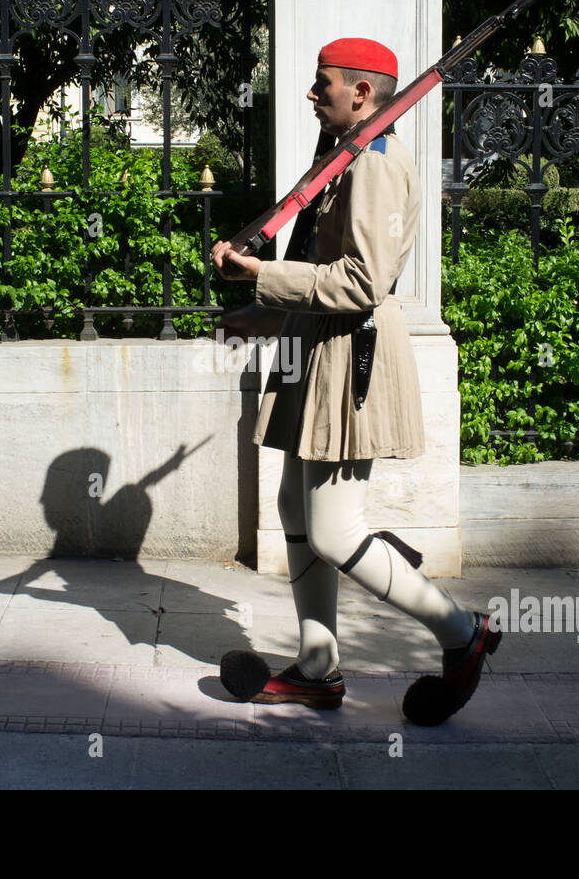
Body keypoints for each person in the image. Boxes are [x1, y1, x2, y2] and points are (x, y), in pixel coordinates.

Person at [210, 37, 500, 727]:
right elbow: (322, 261)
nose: (313, 94)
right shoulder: (343, 156)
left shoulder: (374, 162)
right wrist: (259, 309)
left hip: (351, 355)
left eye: (324, 84)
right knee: (293, 506)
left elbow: (362, 282)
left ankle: (463, 632)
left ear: (363, 94)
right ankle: (317, 667)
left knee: (338, 532)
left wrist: (260, 275)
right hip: (318, 347)